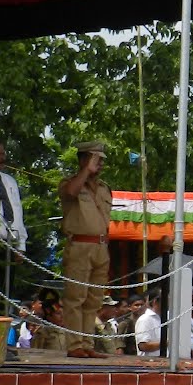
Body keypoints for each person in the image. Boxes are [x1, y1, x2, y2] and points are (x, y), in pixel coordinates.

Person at [57, 140, 111, 359]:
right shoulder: (70, 184)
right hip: (79, 245)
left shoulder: (104, 188)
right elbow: (70, 192)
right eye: (95, 159)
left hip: (101, 246)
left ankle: (87, 344)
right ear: (83, 159)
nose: (100, 165)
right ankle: (74, 344)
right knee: (75, 297)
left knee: (94, 299)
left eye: (102, 161)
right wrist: (85, 171)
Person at [134, 292, 162, 357]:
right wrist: (167, 343)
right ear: (155, 301)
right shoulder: (145, 319)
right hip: (149, 363)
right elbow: (143, 346)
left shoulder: (164, 318)